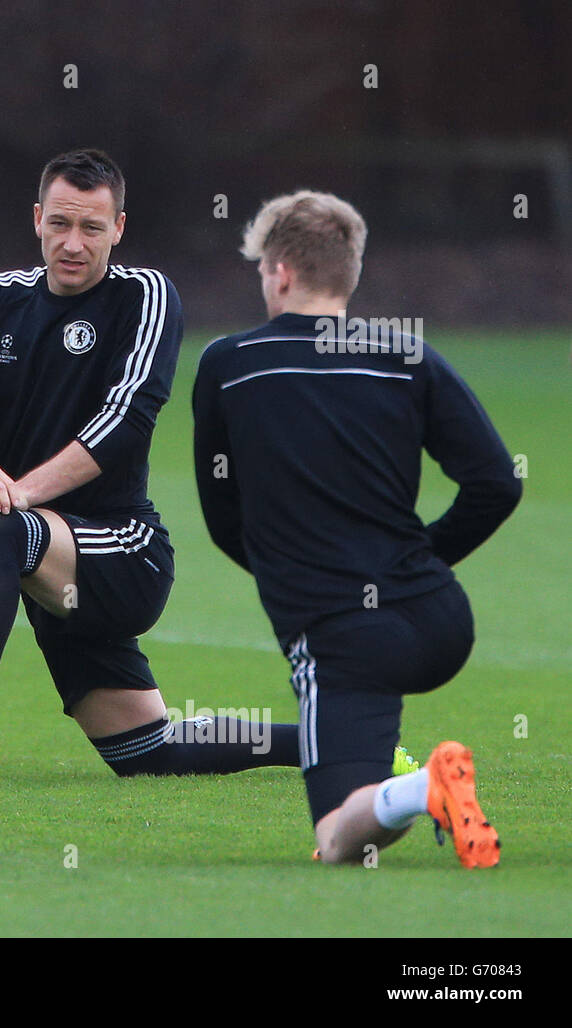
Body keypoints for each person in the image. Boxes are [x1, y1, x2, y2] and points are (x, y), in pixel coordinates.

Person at [0, 148, 300, 783]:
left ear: (118, 229)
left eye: (92, 228)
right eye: (61, 224)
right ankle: (335, 741)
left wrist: (10, 495)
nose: (73, 244)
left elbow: (126, 422)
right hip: (44, 566)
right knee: (151, 755)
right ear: (38, 219)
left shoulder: (146, 296)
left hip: (124, 555)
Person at [191, 190, 521, 866]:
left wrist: (293, 572)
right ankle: (423, 790)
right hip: (439, 621)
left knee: (336, 838)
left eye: (262, 270)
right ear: (350, 272)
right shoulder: (407, 357)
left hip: (338, 635)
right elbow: (497, 481)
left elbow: (224, 518)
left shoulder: (230, 365)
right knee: (361, 788)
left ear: (280, 269)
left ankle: (425, 787)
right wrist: (419, 561)